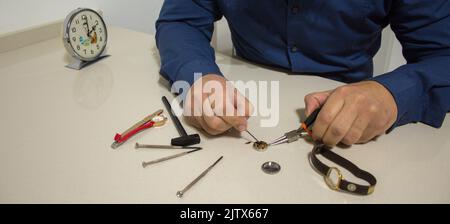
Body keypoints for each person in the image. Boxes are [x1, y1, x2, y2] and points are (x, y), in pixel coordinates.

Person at [155, 0, 450, 146]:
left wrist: (392, 95)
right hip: (243, 95)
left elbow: (442, 55)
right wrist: (198, 76)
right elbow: (181, 20)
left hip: (354, 125)